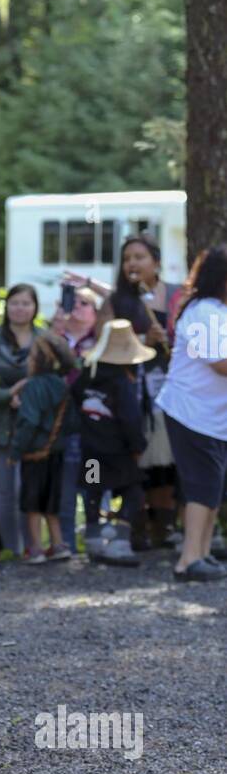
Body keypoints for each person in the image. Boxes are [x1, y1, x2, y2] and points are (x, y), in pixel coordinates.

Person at [67, 233, 178, 548]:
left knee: (166, 459)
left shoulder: (174, 295)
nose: (132, 263)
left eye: (139, 257)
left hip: (168, 386)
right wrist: (144, 343)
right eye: (127, 258)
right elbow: (104, 346)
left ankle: (166, 528)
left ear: (155, 261)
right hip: (128, 387)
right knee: (134, 459)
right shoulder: (116, 301)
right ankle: (132, 529)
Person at [156, 245, 227, 582]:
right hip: (190, 412)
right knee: (202, 486)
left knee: (212, 487)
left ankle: (203, 553)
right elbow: (218, 364)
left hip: (211, 417)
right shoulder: (204, 313)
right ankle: (188, 560)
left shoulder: (218, 311)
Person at [70, 320, 153, 567]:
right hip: (118, 452)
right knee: (133, 491)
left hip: (92, 450)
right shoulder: (121, 382)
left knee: (93, 489)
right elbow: (130, 418)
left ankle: (94, 539)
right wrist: (138, 446)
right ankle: (120, 541)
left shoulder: (88, 375)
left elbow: (74, 396)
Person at [0, 284, 43, 556]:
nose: (20, 309)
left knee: (27, 492)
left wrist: (29, 399)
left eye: (26, 303)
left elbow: (54, 383)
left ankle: (34, 547)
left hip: (35, 430)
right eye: (14, 303)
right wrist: (9, 395)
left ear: (35, 308)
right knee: (4, 495)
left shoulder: (44, 341)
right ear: (6, 307)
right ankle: (9, 551)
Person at [9, 333, 76, 563]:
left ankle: (36, 547)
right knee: (52, 501)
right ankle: (58, 544)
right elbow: (72, 421)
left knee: (32, 502)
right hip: (57, 451)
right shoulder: (62, 384)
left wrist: (15, 450)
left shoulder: (34, 385)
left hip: (34, 452)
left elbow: (30, 421)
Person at [53, 285, 100, 549]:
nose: (77, 307)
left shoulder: (102, 339)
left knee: (92, 483)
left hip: (94, 427)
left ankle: (94, 541)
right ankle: (66, 544)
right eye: (73, 302)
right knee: (66, 487)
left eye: (85, 303)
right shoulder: (55, 337)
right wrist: (56, 329)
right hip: (62, 425)